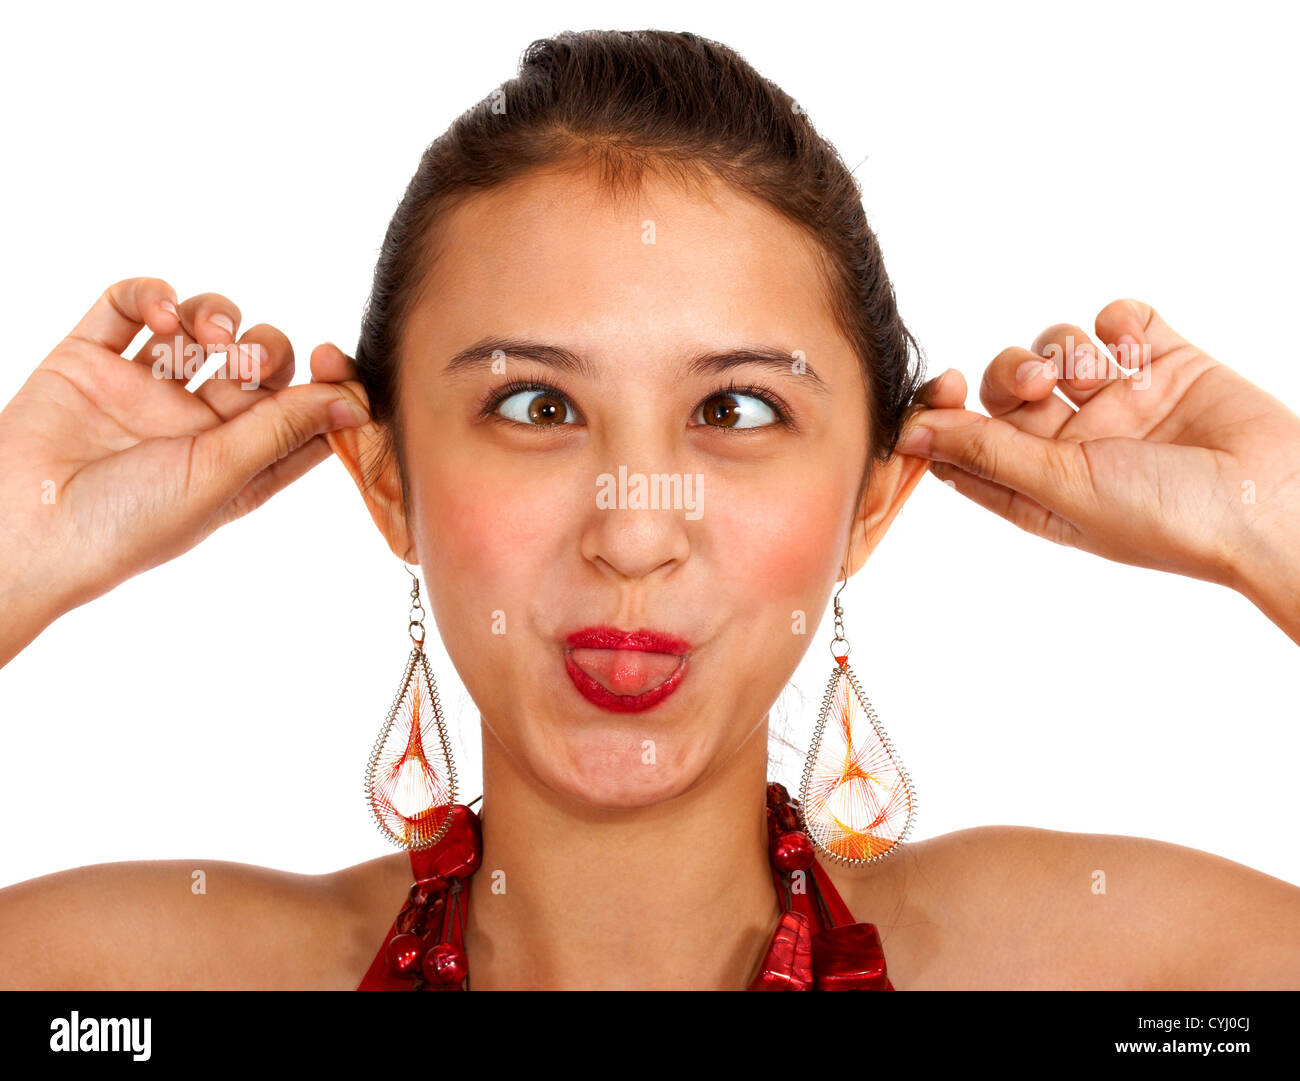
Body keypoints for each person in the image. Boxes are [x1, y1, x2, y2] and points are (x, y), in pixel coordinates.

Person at [1, 29, 1297, 991]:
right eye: (535, 407)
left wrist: (1271, 514)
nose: (631, 527)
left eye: (736, 411)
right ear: (384, 474)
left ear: (873, 498)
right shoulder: (117, 992)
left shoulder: (1133, 978)